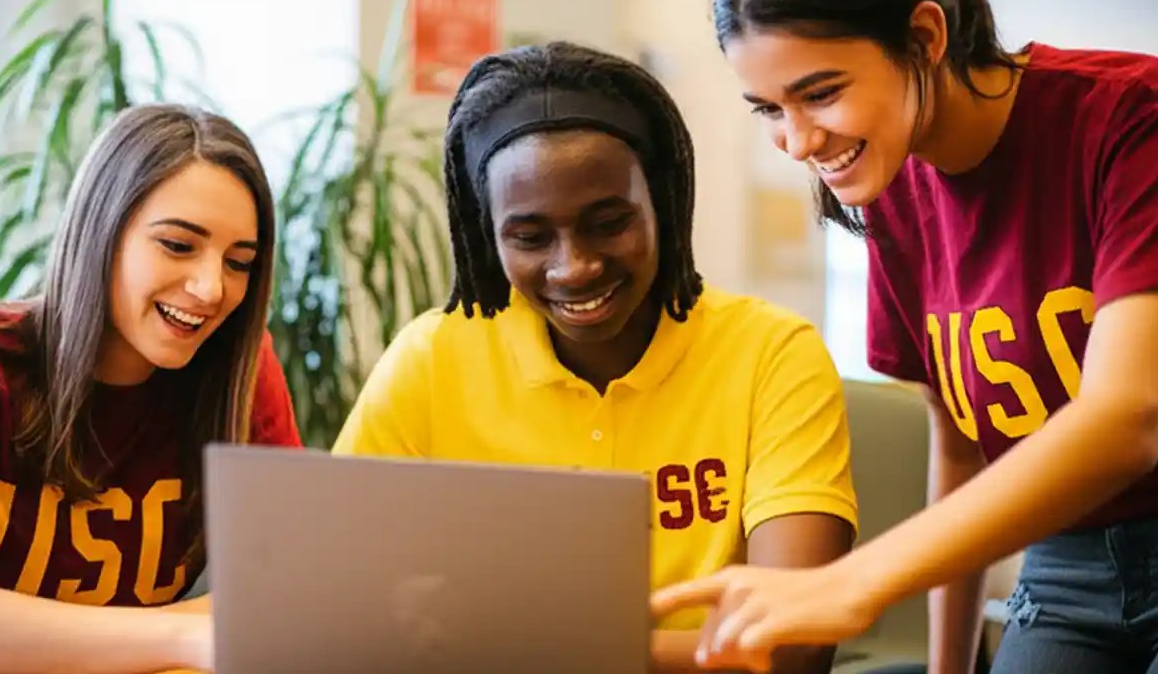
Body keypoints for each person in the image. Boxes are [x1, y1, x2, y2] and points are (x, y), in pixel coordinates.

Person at [651, 0, 1158, 672]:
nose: (800, 142)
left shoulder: (1133, 111)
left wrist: (854, 582)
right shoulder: (891, 189)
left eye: (821, 92)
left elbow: (1126, 421)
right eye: (772, 109)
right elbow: (960, 449)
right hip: (1066, 566)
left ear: (925, 37)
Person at [331, 41, 858, 674]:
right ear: (486, 233)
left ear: (661, 203)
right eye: (529, 237)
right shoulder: (430, 360)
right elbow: (339, 607)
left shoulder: (772, 356)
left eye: (609, 222)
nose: (574, 266)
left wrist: (509, 649)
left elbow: (795, 644)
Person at [0, 103, 302, 674]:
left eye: (239, 262)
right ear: (101, 232)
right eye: (178, 245)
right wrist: (185, 635)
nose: (211, 288)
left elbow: (291, 597)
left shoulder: (238, 371)